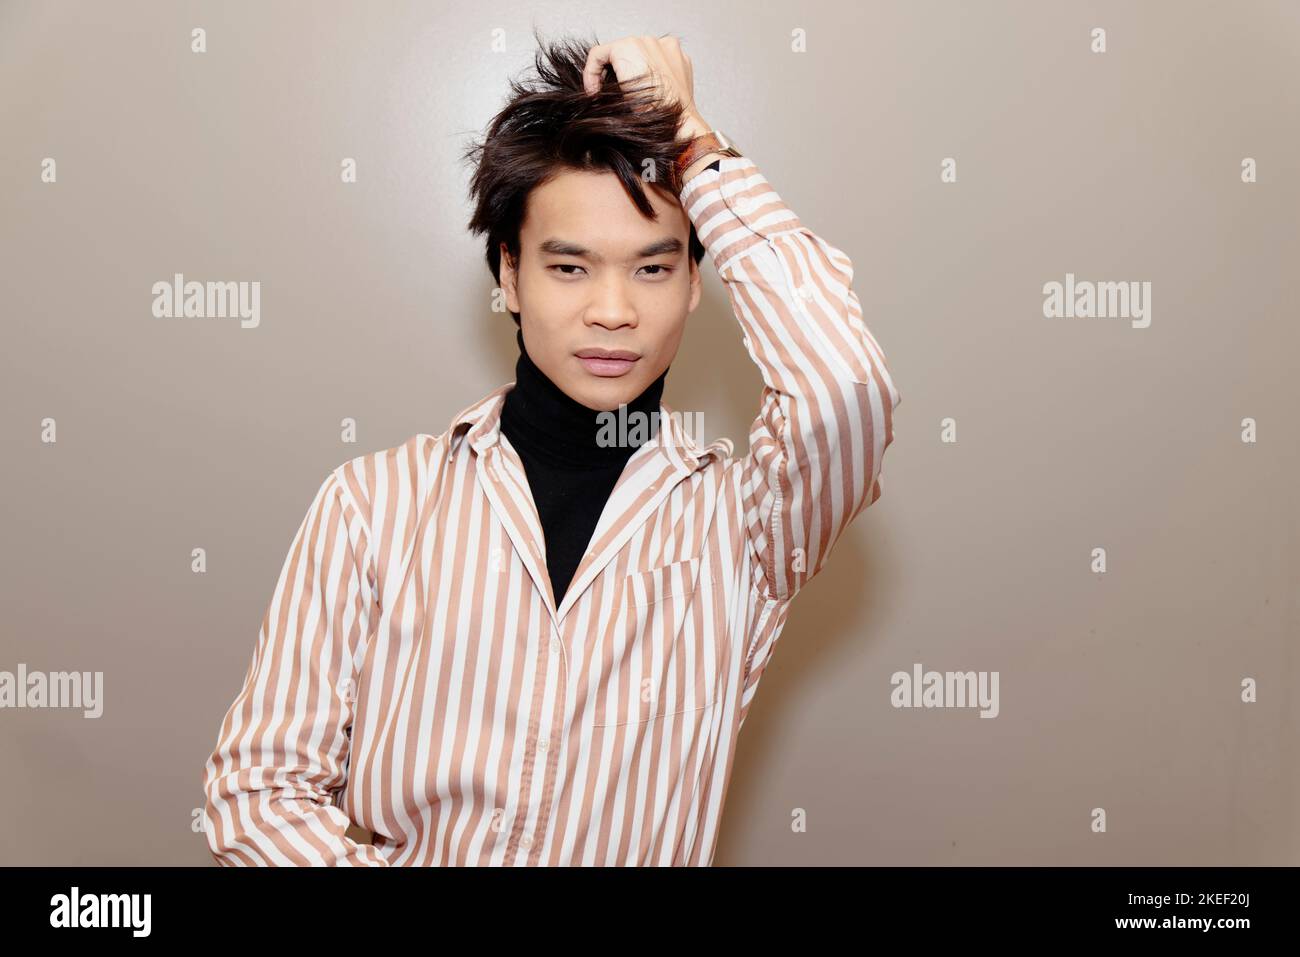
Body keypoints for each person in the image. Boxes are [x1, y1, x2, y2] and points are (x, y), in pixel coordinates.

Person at [201, 32, 900, 866]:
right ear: (509, 273)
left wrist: (697, 146)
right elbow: (255, 793)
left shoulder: (746, 525)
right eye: (570, 268)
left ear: (693, 284)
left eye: (651, 268)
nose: (612, 310)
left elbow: (846, 386)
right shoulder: (373, 504)